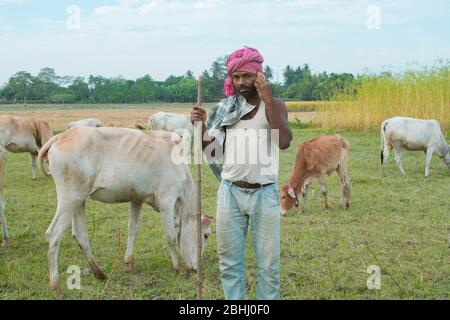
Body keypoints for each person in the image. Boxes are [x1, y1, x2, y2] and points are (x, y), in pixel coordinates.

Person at [191, 46, 292, 300]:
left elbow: (284, 142)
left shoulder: (275, 105)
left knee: (269, 267)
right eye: (236, 77)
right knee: (229, 264)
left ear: (259, 75)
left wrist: (268, 100)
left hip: (264, 194)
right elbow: (212, 153)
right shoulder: (227, 108)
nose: (241, 82)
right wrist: (201, 126)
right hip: (230, 193)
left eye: (247, 76)